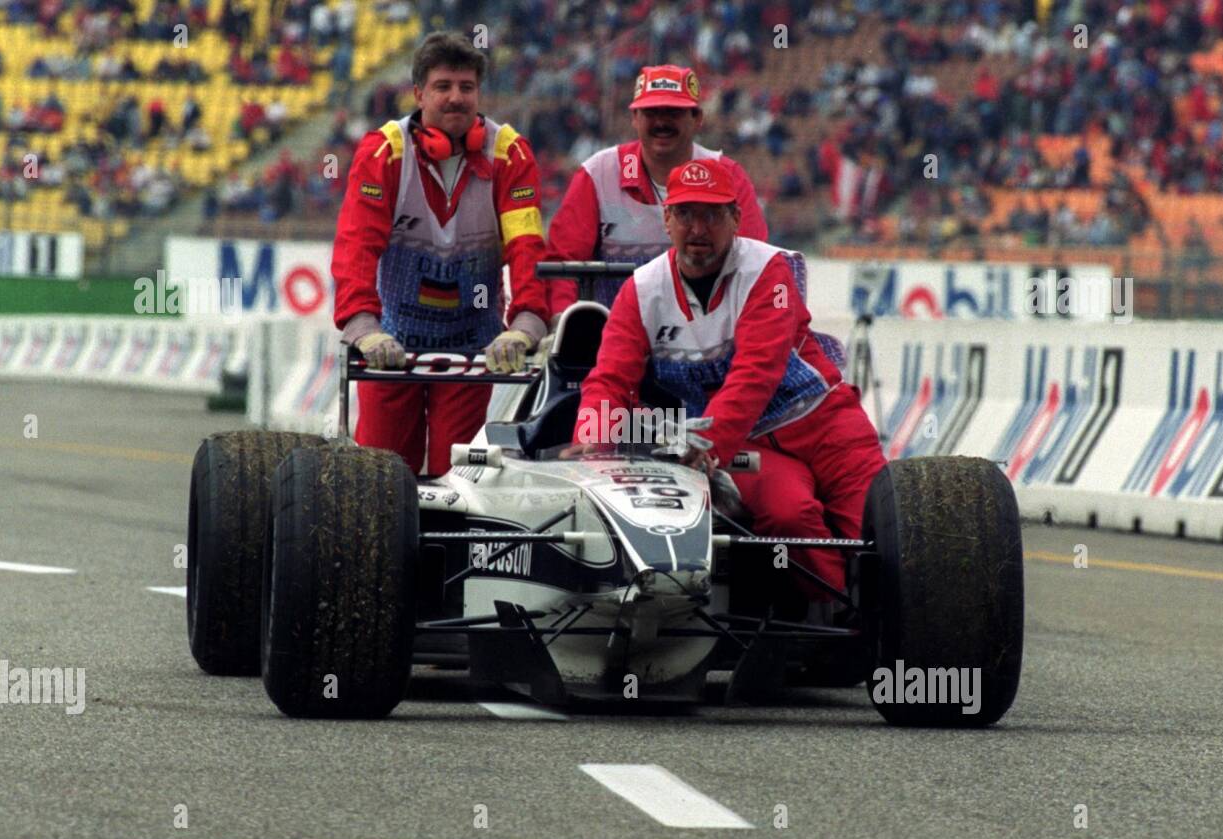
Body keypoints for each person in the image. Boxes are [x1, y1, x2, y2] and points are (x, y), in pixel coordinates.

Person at [562, 158, 886, 599]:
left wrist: (707, 445)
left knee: (883, 527)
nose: (699, 229)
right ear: (667, 219)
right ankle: (840, 618)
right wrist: (592, 437)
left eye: (712, 215)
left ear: (736, 219)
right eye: (687, 214)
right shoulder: (640, 290)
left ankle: (899, 621)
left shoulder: (768, 270)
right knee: (789, 517)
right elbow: (610, 379)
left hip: (822, 421)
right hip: (745, 442)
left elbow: (756, 372)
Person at [331, 31, 548, 476]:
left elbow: (527, 246)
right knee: (381, 475)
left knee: (460, 481)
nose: (456, 98)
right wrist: (363, 325)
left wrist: (525, 325)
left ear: (479, 94)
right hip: (389, 345)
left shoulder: (511, 153)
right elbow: (356, 246)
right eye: (443, 87)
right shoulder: (383, 152)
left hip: (471, 346)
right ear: (418, 93)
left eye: (466, 88)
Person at [544, 64, 767, 315]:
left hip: (706, 335)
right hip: (611, 337)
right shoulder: (597, 174)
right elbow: (563, 263)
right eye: (651, 112)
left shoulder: (729, 176)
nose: (661, 122)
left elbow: (756, 266)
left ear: (697, 119)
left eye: (673, 112)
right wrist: (562, 321)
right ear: (635, 118)